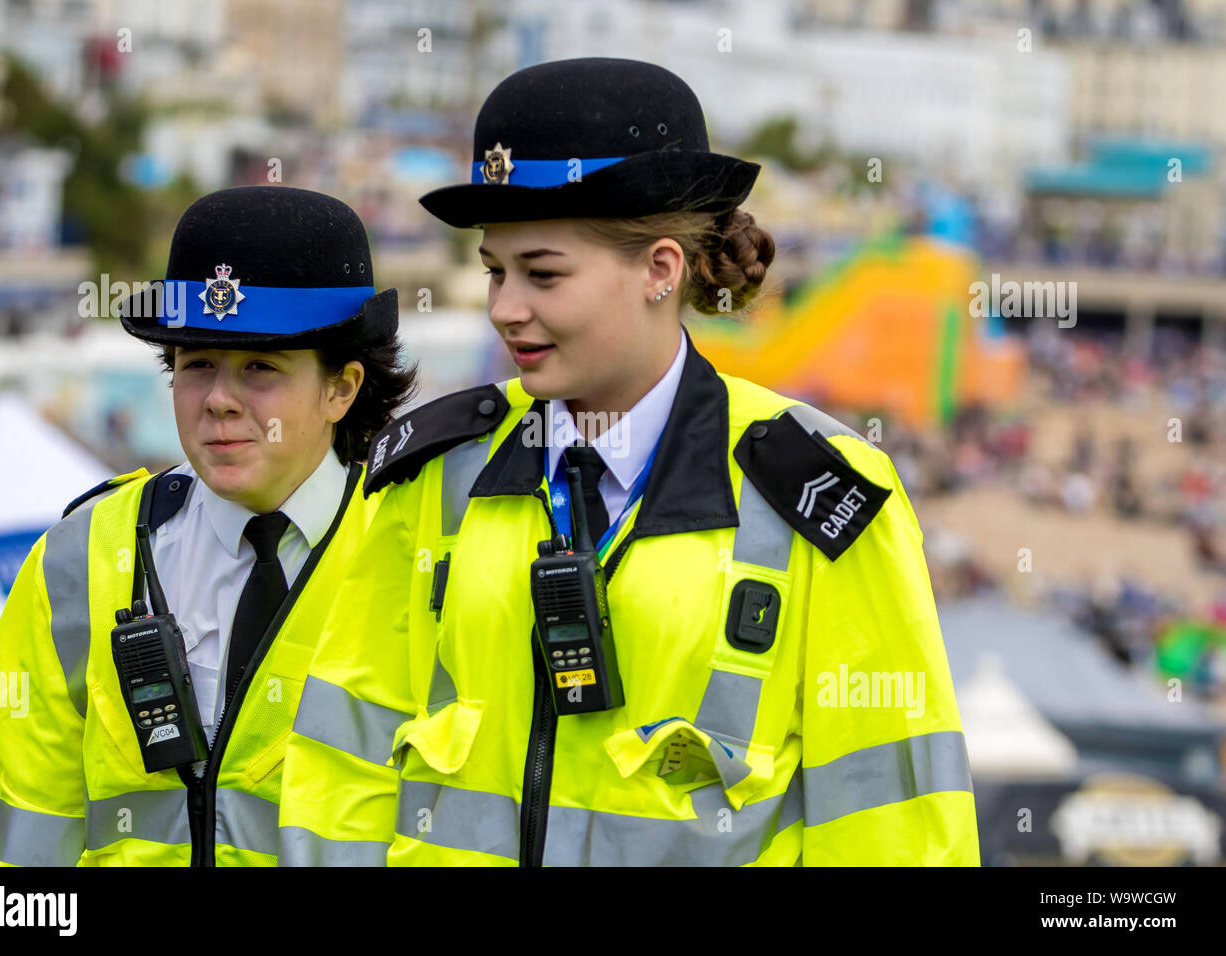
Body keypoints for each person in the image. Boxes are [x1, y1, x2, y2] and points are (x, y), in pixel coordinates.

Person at [279, 58, 979, 865]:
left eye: (543, 274)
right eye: (495, 271)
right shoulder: (431, 472)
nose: (506, 309)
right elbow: (340, 764)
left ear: (660, 270)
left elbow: (892, 824)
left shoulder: (820, 497)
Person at [0, 186, 416, 866]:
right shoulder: (77, 560)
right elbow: (9, 846)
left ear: (342, 388)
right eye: (196, 366)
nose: (219, 402)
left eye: (259, 368)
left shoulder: (417, 555)